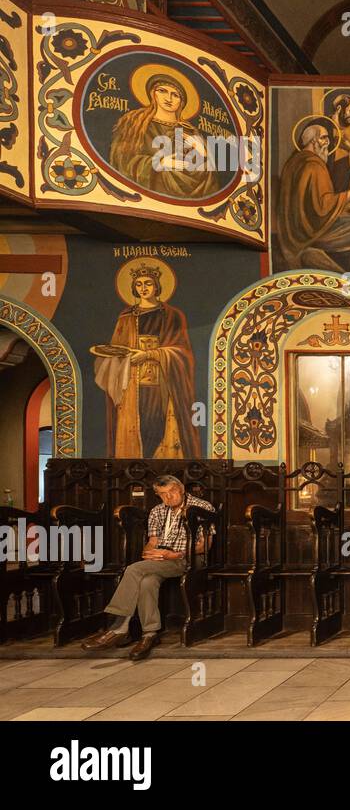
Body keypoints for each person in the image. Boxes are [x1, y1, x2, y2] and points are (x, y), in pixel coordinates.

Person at [80, 476, 215, 660]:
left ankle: (118, 628)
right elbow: (152, 542)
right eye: (163, 494)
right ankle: (149, 634)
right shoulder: (158, 511)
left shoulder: (201, 507)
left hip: (189, 557)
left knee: (133, 570)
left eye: (172, 492)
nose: (169, 498)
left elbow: (204, 545)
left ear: (181, 489)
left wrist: (175, 554)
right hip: (162, 558)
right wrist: (150, 553)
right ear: (158, 495)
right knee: (146, 581)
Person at [93, 262, 201, 459]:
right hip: (131, 384)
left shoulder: (173, 316)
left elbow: (182, 352)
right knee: (134, 427)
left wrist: (151, 354)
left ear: (157, 286)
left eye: (148, 283)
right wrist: (118, 355)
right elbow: (116, 348)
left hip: (162, 383)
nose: (144, 288)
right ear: (134, 288)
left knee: (158, 425)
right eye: (139, 284)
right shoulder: (126, 317)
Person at [274, 120, 350, 271]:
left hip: (293, 230)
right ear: (313, 141)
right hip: (312, 231)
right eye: (324, 138)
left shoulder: (293, 161)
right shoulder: (315, 165)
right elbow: (323, 207)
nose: (328, 142)